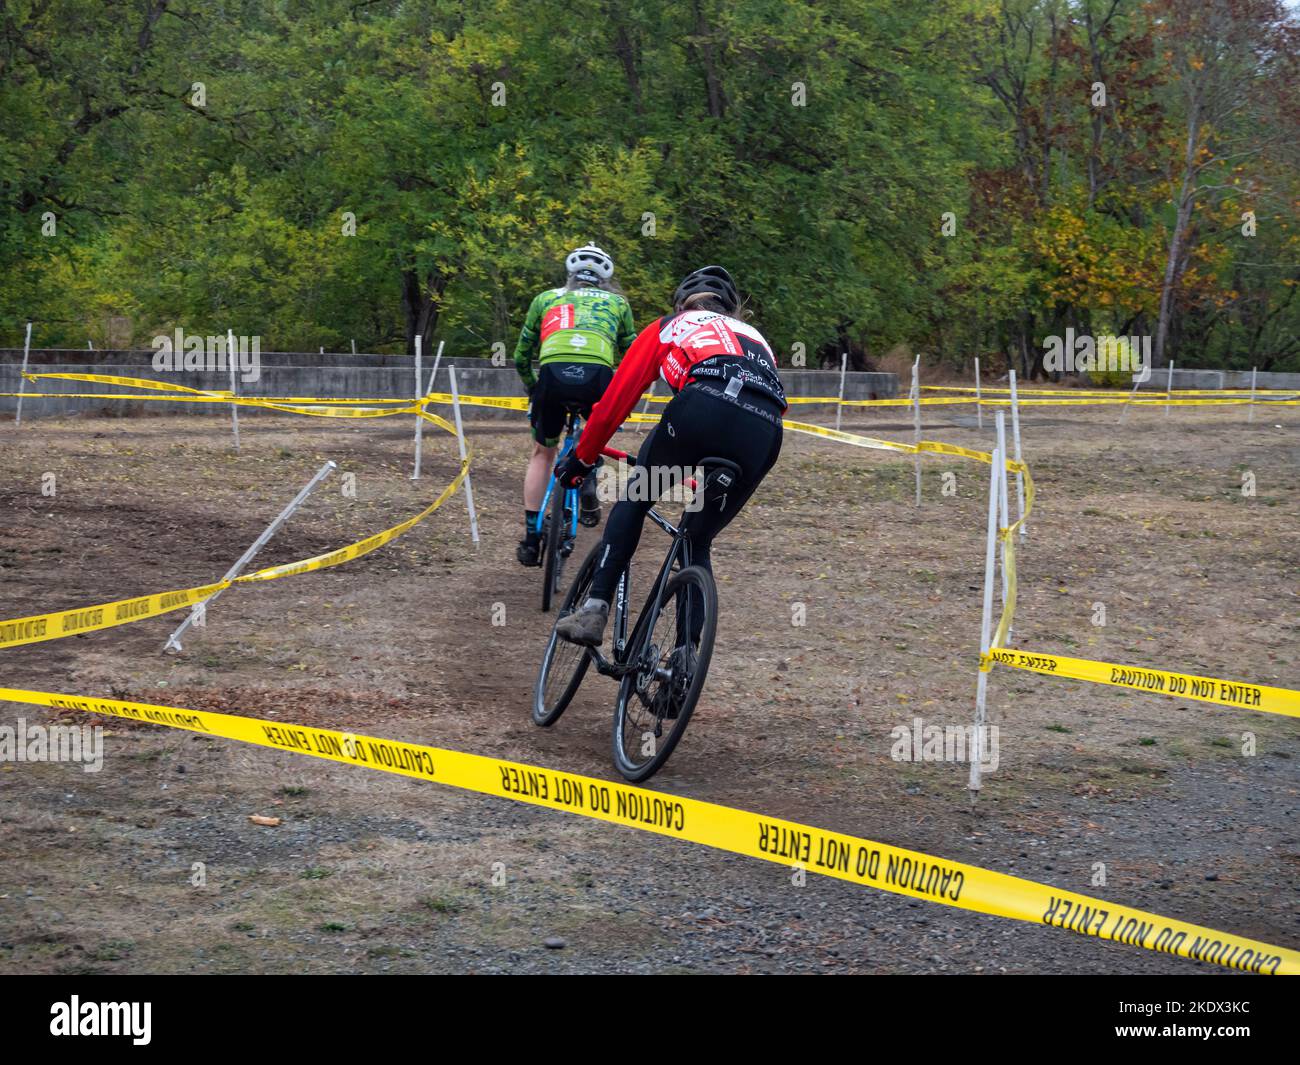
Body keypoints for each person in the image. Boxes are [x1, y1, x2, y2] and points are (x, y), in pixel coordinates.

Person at [552, 265, 786, 645]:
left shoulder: (671, 325)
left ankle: (593, 610)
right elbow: (759, 400)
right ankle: (684, 661)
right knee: (697, 539)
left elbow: (615, 402)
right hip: (765, 432)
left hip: (700, 408)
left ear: (681, 303)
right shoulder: (758, 339)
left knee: (634, 498)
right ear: (733, 309)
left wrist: (582, 458)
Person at [513, 244, 636, 567]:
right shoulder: (617, 303)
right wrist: (623, 394)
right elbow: (633, 353)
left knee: (542, 453)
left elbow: (521, 355)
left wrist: (532, 388)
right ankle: (589, 475)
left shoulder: (545, 298)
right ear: (605, 279)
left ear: (570, 274)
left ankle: (530, 538)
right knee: (591, 440)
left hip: (552, 375)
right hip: (597, 377)